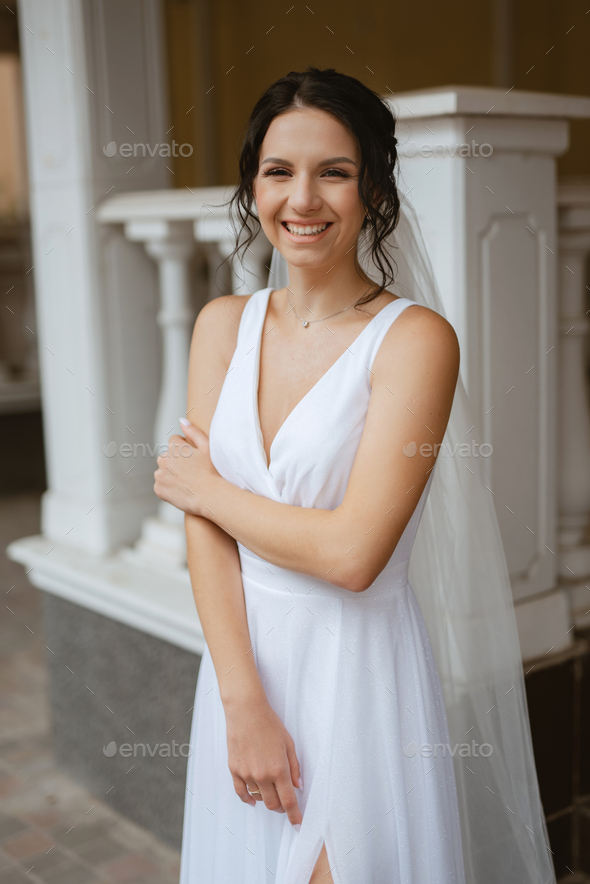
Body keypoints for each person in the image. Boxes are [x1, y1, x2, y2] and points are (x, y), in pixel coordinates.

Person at [155, 68, 554, 884]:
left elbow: (352, 555)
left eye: (333, 171)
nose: (303, 199)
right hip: (239, 675)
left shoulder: (413, 342)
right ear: (253, 187)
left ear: (373, 188)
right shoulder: (221, 327)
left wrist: (211, 491)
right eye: (279, 172)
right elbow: (207, 540)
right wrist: (242, 704)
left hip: (357, 677)